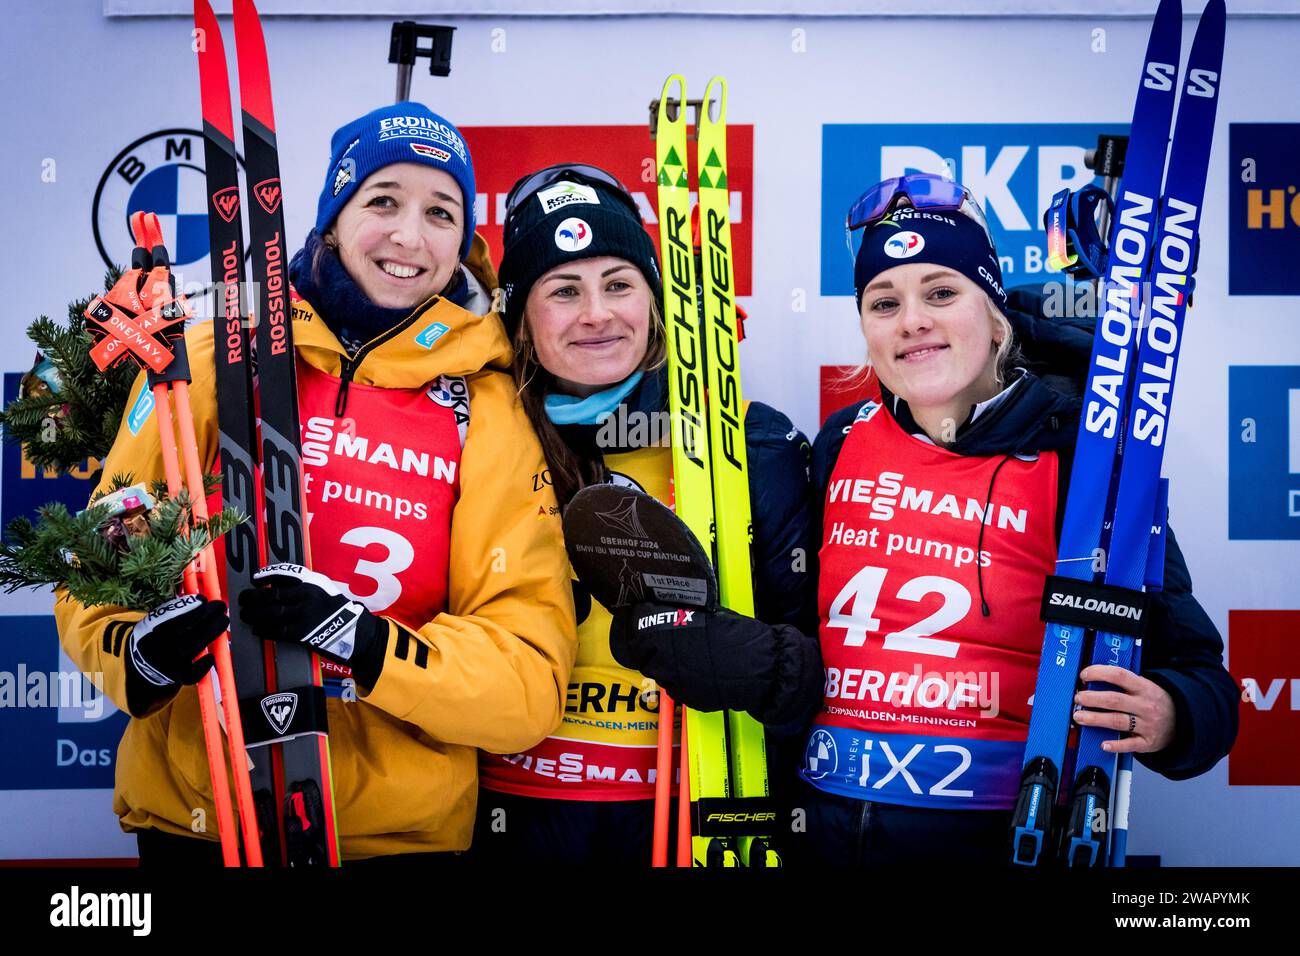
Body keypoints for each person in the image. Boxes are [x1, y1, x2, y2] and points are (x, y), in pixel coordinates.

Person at [625, 173, 1238, 866]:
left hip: (997, 838)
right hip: (823, 835)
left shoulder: (1080, 459)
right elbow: (803, 639)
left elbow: (1204, 685)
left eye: (941, 293)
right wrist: (740, 658)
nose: (912, 320)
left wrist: (1172, 712)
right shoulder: (842, 440)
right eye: (884, 302)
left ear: (994, 312)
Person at [54, 102, 576, 864]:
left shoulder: (485, 406)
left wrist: (364, 643)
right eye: (383, 201)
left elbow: (525, 675)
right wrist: (139, 653)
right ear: (333, 214)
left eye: (441, 212)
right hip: (199, 817)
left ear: (464, 240)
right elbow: (99, 561)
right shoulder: (209, 359)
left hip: (394, 838)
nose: (409, 236)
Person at [469, 164, 821, 865]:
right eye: (563, 290)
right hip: (513, 816)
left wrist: (757, 665)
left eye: (619, 284)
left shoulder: (746, 441)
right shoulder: (478, 438)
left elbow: (825, 676)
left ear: (654, 301)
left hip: (684, 812)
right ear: (522, 319)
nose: (596, 313)